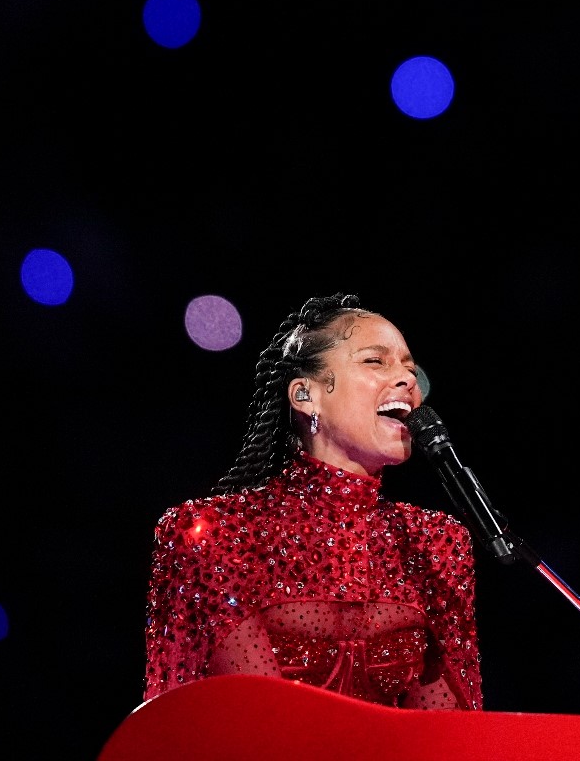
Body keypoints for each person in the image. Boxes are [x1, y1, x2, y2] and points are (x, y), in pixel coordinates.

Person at [141, 292, 483, 710]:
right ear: (305, 395)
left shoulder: (435, 542)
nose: (408, 380)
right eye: (375, 361)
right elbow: (264, 720)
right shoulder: (218, 535)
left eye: (410, 368)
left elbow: (445, 736)